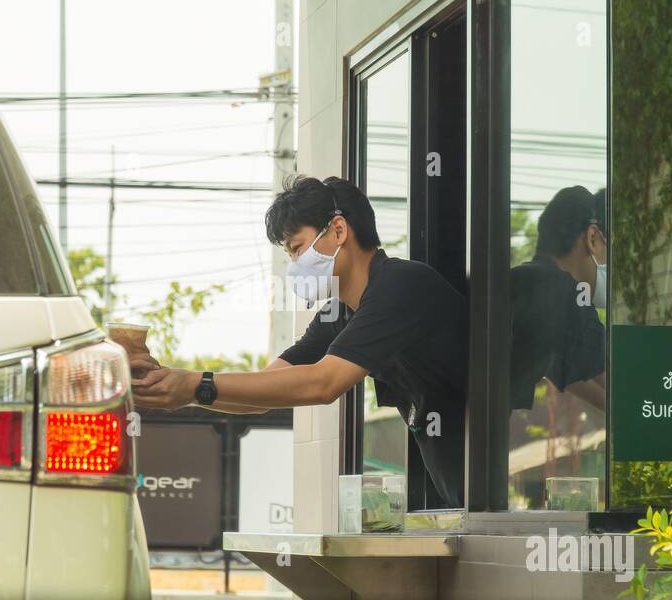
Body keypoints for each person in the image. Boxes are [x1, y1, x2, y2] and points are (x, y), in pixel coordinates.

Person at [132, 174, 468, 507]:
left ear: (338, 230)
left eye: (297, 249)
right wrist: (180, 391)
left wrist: (193, 385)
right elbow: (265, 391)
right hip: (457, 495)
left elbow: (324, 383)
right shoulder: (339, 314)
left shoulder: (401, 285)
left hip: (494, 483)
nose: (295, 265)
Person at [509, 185, 608, 412]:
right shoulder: (566, 292)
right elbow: (624, 385)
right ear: (592, 239)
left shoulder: (528, 282)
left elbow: (575, 374)